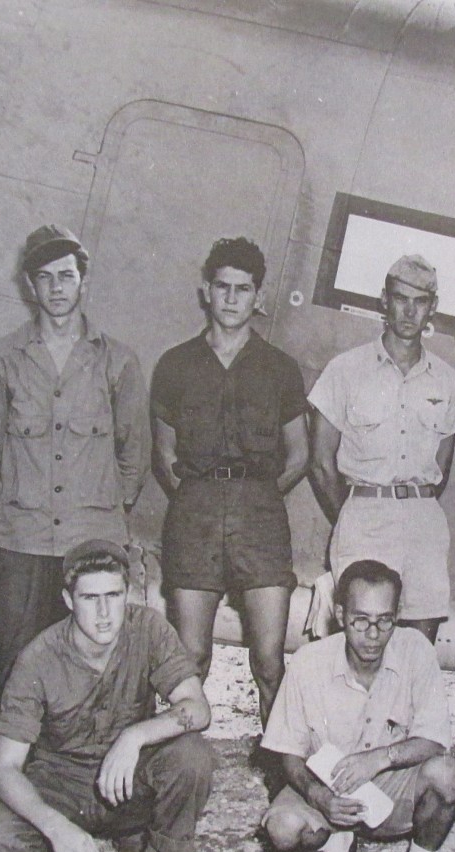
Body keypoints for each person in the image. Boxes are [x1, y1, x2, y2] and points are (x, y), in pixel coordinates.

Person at [0, 540, 215, 852]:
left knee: (192, 756)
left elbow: (197, 707)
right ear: (68, 600)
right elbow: (4, 769)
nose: (104, 614)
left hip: (126, 779)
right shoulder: (38, 657)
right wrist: (56, 829)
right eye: (90, 598)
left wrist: (134, 736)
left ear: (128, 593)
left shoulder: (150, 629)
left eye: (113, 596)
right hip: (61, 786)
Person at [0, 223, 150, 705]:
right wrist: (9, 502)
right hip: (22, 542)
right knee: (19, 660)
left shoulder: (118, 362)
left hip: (92, 542)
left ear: (83, 281)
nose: (56, 288)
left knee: (95, 662)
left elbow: (136, 452)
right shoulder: (1, 359)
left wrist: (107, 509)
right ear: (30, 286)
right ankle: (8, 777)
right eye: (45, 278)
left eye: (66, 276)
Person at [150, 237, 308, 726]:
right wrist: (201, 496)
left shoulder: (279, 368)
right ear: (207, 291)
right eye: (223, 287)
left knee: (268, 661)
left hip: (260, 520)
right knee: (190, 658)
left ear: (257, 296)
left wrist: (255, 495)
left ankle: (284, 770)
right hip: (194, 518)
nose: (233, 298)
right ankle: (179, 766)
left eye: (244, 289)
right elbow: (164, 452)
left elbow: (299, 454)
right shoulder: (175, 365)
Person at [259, 559, 455, 852]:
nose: (373, 633)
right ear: (339, 614)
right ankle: (337, 848)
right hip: (327, 788)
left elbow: (435, 739)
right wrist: (319, 797)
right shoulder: (308, 662)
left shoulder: (416, 650)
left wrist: (380, 758)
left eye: (385, 620)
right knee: (283, 829)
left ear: (398, 615)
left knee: (446, 775)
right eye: (360, 620)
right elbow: (287, 754)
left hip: (388, 785)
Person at [309, 255, 455, 645]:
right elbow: (320, 463)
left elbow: (442, 470)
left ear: (433, 307)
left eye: (420, 301)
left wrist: (407, 507)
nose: (409, 310)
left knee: (416, 650)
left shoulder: (447, 382)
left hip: (422, 523)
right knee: (357, 648)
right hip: (363, 515)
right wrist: (356, 509)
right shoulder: (345, 370)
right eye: (400, 298)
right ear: (384, 300)